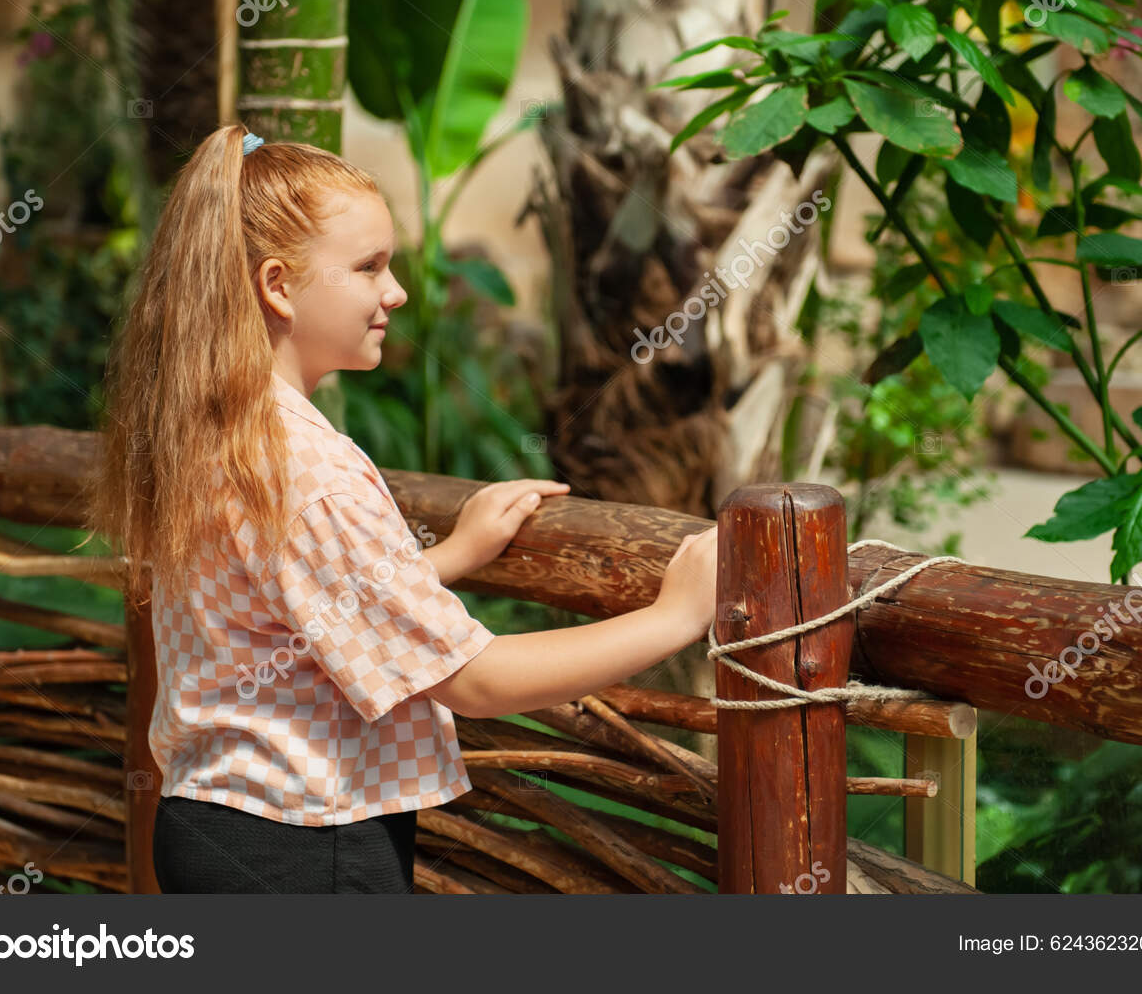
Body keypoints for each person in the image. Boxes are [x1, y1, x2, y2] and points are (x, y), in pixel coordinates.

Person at [89, 124, 718, 894]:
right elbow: (475, 679)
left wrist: (447, 558)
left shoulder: (218, 428)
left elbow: (295, 606)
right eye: (369, 267)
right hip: (301, 850)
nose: (398, 292)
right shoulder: (310, 469)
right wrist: (675, 618)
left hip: (213, 825)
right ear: (278, 285)